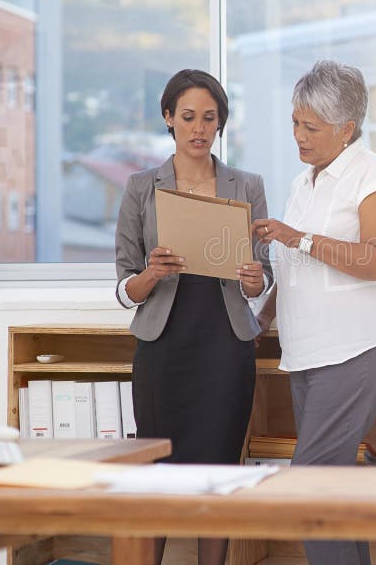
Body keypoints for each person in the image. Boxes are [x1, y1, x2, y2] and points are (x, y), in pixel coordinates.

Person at [253, 60, 376, 565]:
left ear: (347, 129)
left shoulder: (375, 177)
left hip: (356, 351)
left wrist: (298, 236)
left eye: (312, 127)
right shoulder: (305, 184)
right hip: (306, 355)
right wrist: (263, 316)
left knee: (312, 485)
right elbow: (296, 265)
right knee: (332, 488)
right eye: (295, 123)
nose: (299, 136)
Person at [114, 69, 271, 565]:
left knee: (219, 473)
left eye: (209, 118)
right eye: (188, 117)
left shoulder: (247, 185)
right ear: (168, 119)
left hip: (225, 348)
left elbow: (262, 275)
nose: (199, 128)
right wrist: (151, 274)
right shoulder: (141, 187)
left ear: (221, 122)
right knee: (158, 473)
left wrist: (253, 281)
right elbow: (123, 287)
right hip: (164, 349)